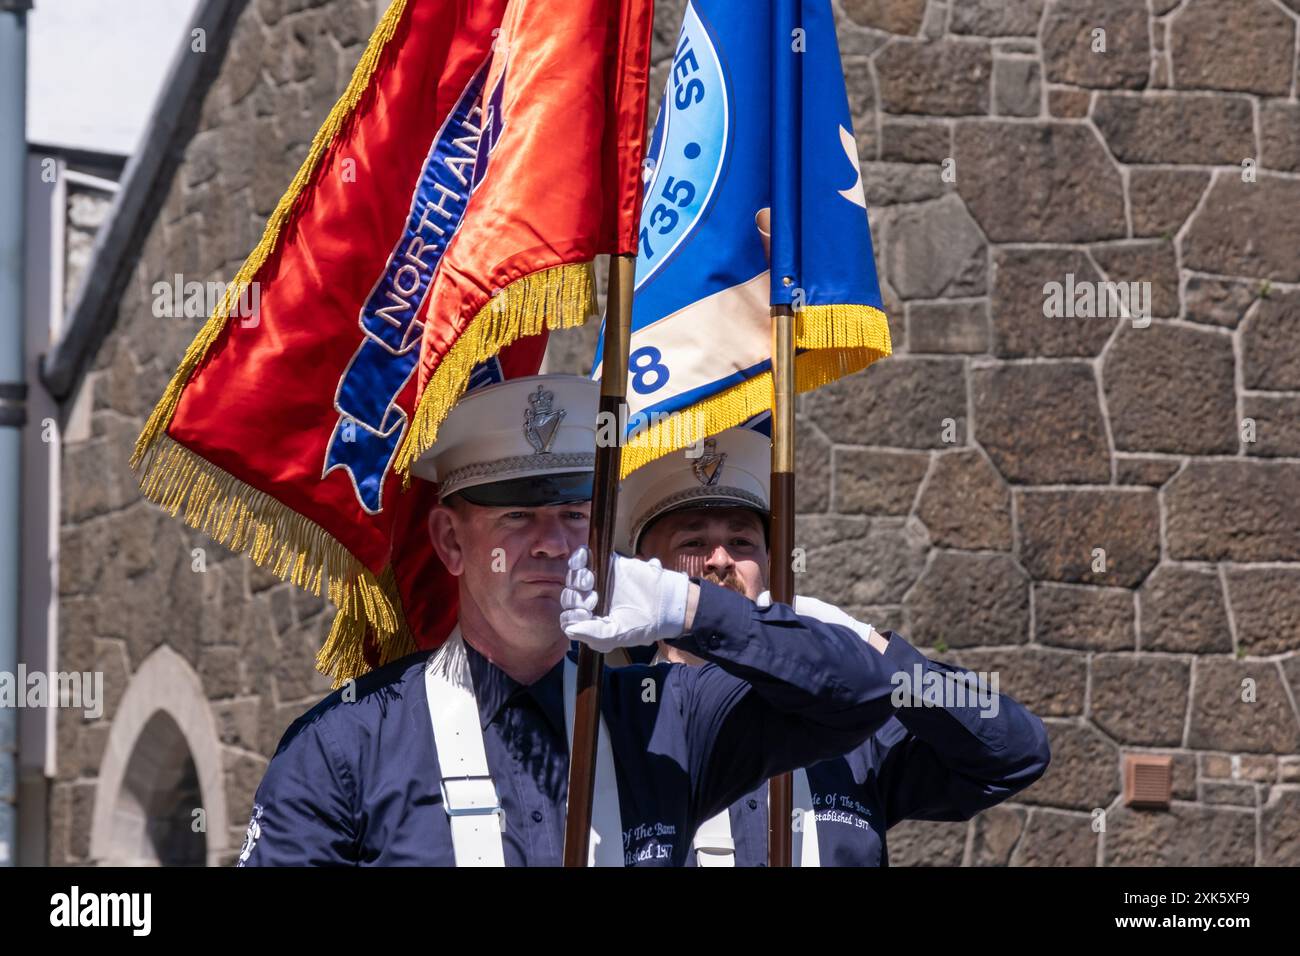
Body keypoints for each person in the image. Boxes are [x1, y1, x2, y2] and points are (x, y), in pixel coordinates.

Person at [239, 375, 934, 866]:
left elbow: (862, 691)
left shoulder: (665, 716)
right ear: (451, 542)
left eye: (575, 516)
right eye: (517, 516)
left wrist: (691, 608)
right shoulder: (347, 746)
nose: (551, 543)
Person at [592, 426, 1050, 866]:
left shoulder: (845, 711)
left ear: (770, 564)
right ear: (642, 570)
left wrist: (874, 649)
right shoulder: (614, 718)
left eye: (741, 541)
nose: (722, 561)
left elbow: (1011, 754)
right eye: (693, 541)